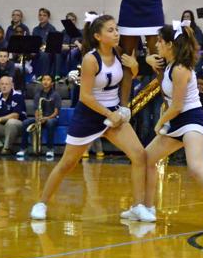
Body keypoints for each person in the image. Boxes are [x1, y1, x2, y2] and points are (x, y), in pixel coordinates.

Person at [30, 15, 148, 222]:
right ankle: (41, 203)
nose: (116, 33)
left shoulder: (119, 53)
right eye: (110, 30)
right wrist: (110, 114)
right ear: (98, 36)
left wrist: (135, 67)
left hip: (112, 114)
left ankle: (137, 207)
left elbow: (130, 77)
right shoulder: (90, 59)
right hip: (89, 115)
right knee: (67, 163)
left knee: (139, 155)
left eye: (116, 29)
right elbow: (85, 96)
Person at [142, 21, 203, 229]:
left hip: (192, 120)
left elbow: (177, 105)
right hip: (177, 121)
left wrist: (159, 122)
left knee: (195, 167)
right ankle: (147, 208)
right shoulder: (170, 64)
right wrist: (148, 58)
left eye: (160, 42)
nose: (157, 46)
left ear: (169, 45)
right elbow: (148, 57)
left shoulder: (180, 69)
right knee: (147, 158)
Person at [17, 74, 60, 159]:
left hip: (51, 118)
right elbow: (36, 110)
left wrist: (46, 118)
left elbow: (56, 112)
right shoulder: (38, 95)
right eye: (44, 79)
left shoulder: (56, 95)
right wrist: (38, 118)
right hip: (40, 118)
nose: (45, 82)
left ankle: (50, 149)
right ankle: (23, 148)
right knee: (25, 122)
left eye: (48, 80)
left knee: (51, 123)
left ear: (52, 83)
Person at [0, 76, 25, 155]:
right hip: (2, 126)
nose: (4, 86)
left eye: (7, 84)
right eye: (2, 84)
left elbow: (15, 116)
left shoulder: (18, 96)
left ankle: (7, 148)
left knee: (11, 122)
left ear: (11, 85)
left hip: (18, 127)